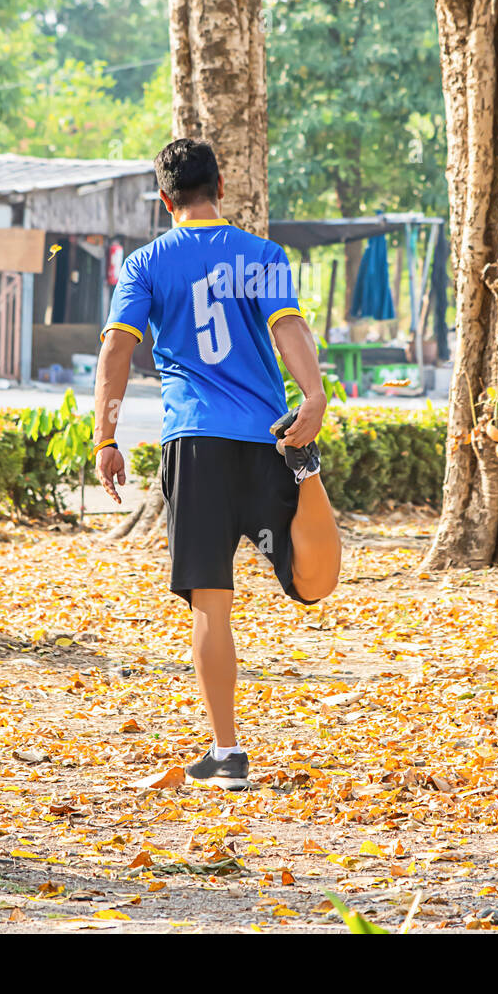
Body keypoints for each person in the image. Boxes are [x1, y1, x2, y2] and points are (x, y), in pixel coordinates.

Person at [93, 138, 341, 789]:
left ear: (165, 198)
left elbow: (117, 349)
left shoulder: (146, 264)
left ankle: (228, 754)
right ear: (222, 185)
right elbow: (289, 327)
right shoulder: (262, 255)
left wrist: (105, 437)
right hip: (266, 438)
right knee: (312, 584)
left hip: (194, 444)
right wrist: (312, 395)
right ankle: (307, 469)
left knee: (213, 603)